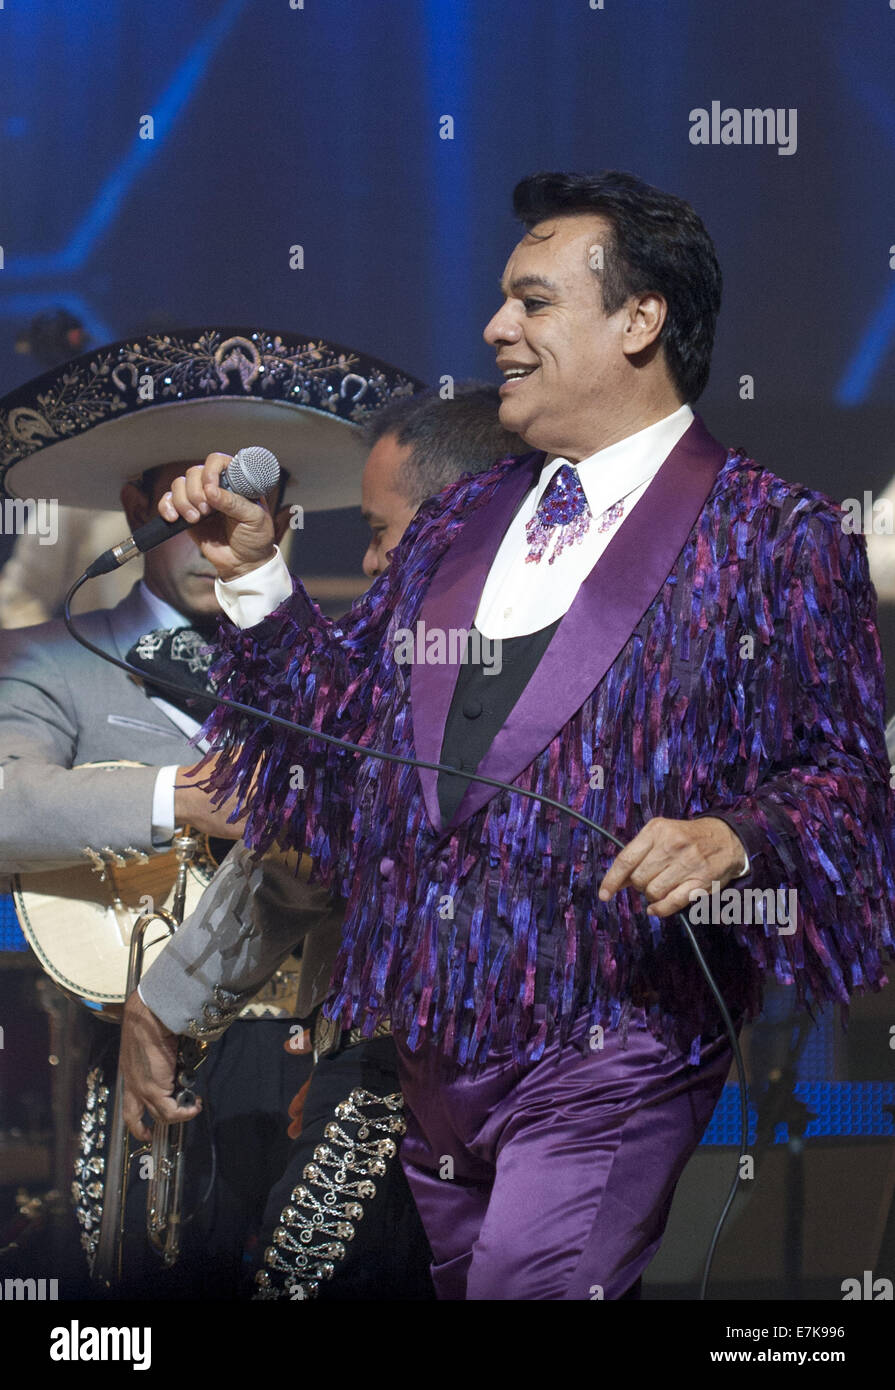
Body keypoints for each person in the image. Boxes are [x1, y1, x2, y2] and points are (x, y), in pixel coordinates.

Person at [124, 174, 895, 1301]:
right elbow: (344, 752)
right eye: (502, 301)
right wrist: (257, 585)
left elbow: (849, 785)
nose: (495, 328)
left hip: (616, 1040)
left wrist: (735, 835)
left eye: (533, 302)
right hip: (435, 1050)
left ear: (641, 320)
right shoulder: (459, 522)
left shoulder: (772, 535)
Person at [0, 325, 423, 1296]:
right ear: (136, 505)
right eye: (188, 495)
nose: (217, 518)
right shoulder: (48, 653)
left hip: (320, 1042)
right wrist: (176, 797)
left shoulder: (334, 664)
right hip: (146, 1036)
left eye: (248, 495)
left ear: (280, 515)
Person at [129, 383, 526, 1299]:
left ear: (459, 522)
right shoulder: (394, 655)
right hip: (366, 1059)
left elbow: (312, 846)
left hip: (475, 1082)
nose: (375, 560)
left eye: (384, 531)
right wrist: (165, 1000)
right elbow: (305, 833)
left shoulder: (548, 668)